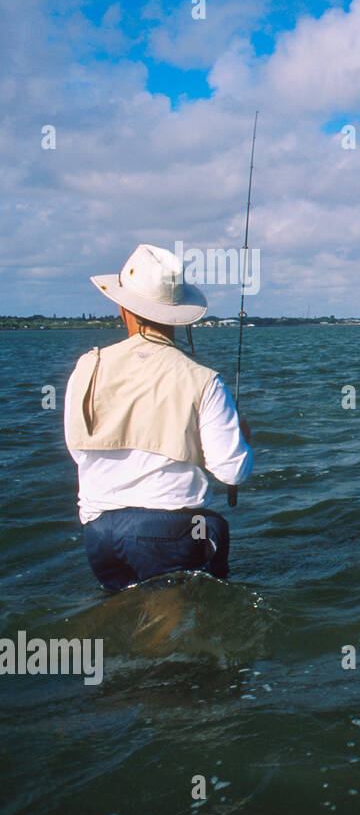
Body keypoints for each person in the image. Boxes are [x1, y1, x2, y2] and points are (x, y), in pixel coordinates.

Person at [64, 244, 253, 592]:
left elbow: (79, 451)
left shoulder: (85, 367)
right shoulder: (203, 380)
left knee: (128, 615)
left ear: (124, 308)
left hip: (98, 533)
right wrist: (241, 439)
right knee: (174, 619)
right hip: (171, 533)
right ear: (181, 316)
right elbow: (231, 470)